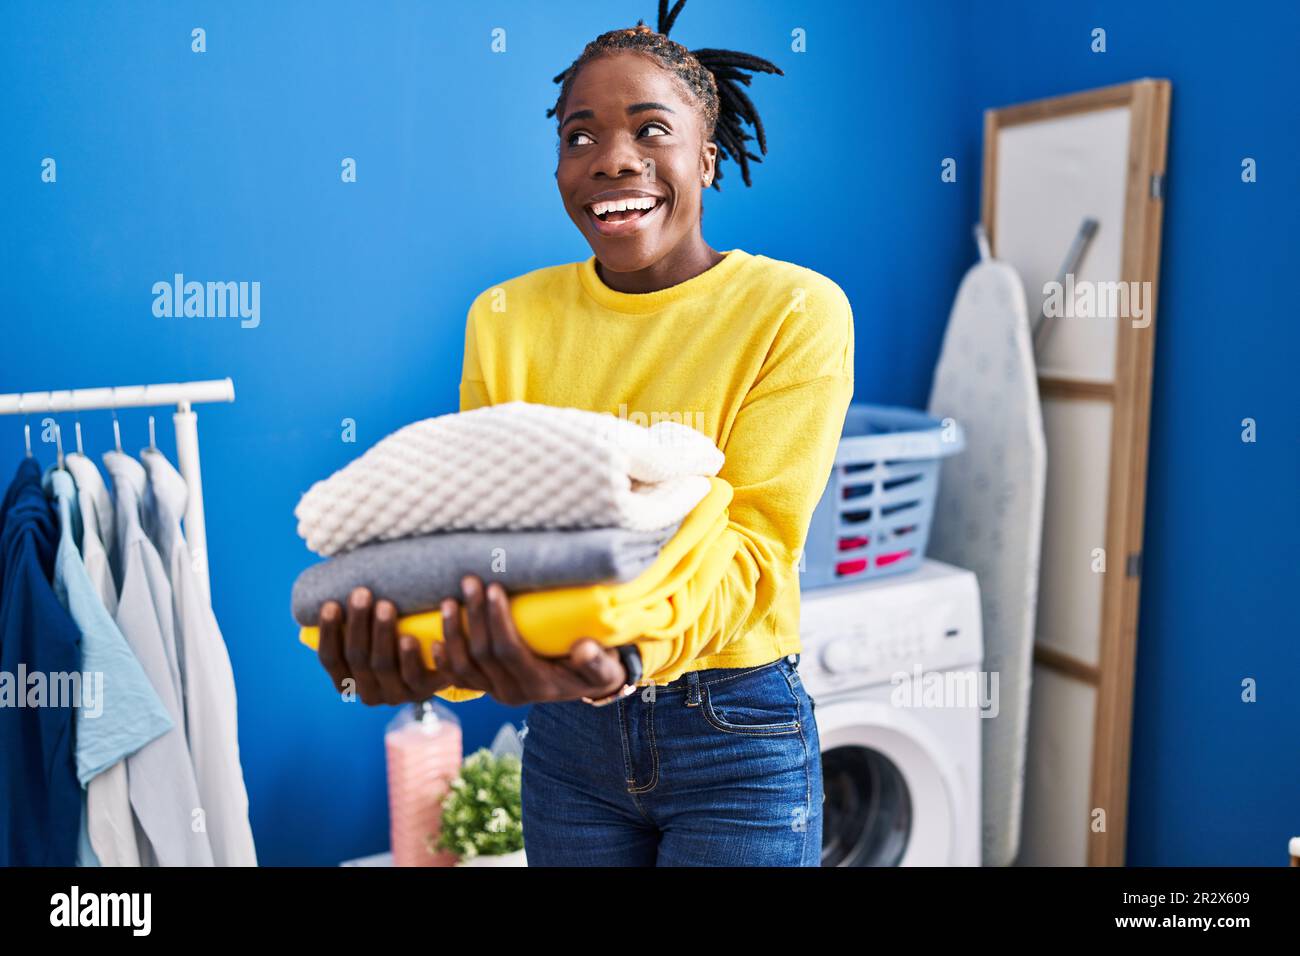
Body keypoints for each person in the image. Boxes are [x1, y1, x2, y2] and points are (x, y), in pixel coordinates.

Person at [314, 1, 853, 866]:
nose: (612, 160)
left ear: (706, 157)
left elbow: (753, 552)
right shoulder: (505, 319)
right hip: (566, 743)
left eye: (651, 129)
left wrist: (627, 649)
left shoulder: (791, 311)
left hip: (734, 731)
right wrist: (432, 654)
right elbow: (484, 544)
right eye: (579, 136)